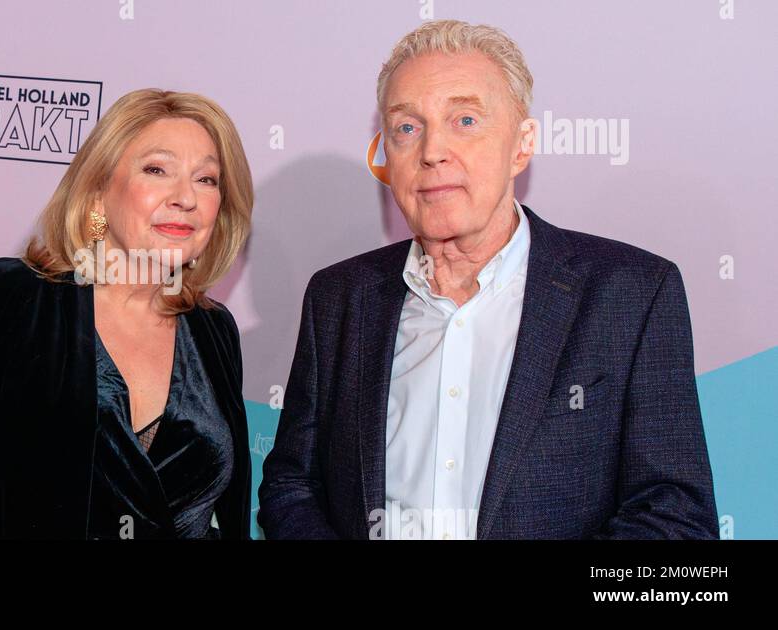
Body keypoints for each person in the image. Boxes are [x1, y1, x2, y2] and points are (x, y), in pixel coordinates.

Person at [259, 20, 717, 539]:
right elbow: (291, 485)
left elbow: (674, 516)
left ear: (521, 146)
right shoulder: (338, 298)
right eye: (407, 127)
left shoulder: (631, 294)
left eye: (466, 120)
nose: (432, 151)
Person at [0, 89, 254, 539]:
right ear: (99, 193)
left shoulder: (213, 330)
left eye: (207, 179)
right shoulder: (2, 297)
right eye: (157, 170)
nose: (185, 198)